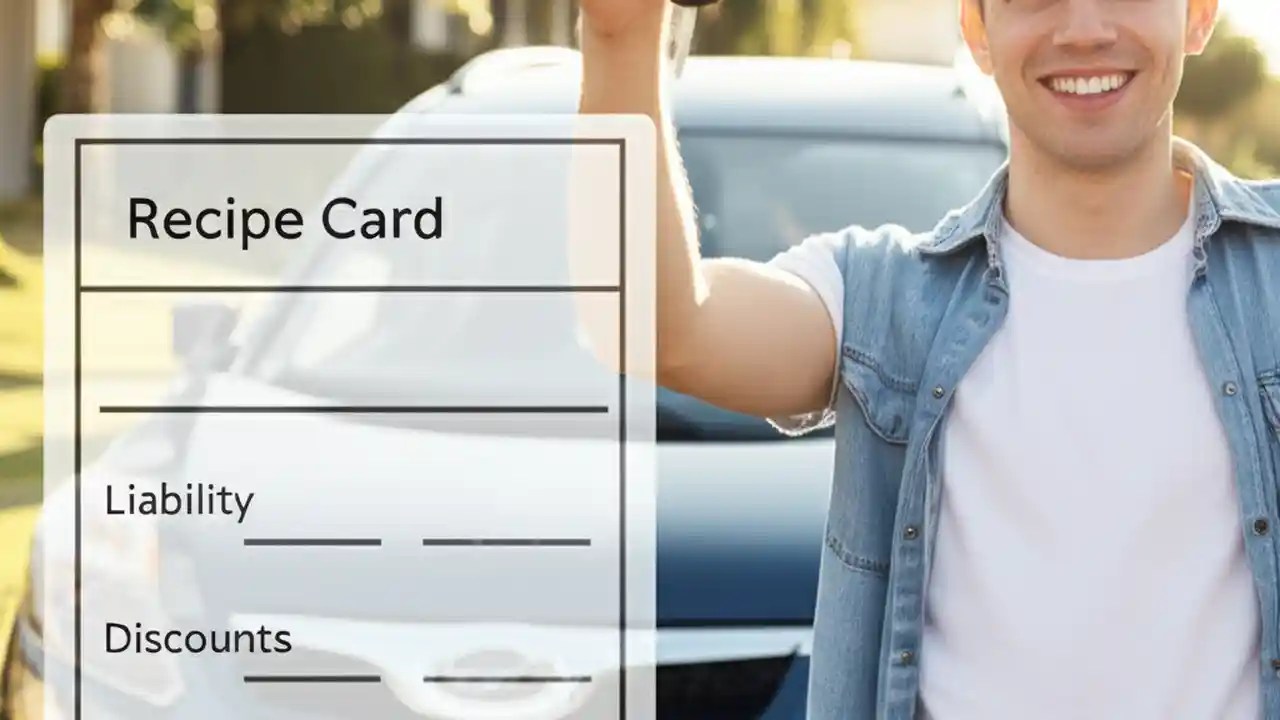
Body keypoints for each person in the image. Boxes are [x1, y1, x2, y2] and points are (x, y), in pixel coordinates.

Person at [579, 0, 1280, 718]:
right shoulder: (884, 302)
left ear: (1198, 15)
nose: (1083, 29)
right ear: (975, 30)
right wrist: (620, 35)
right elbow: (656, 326)